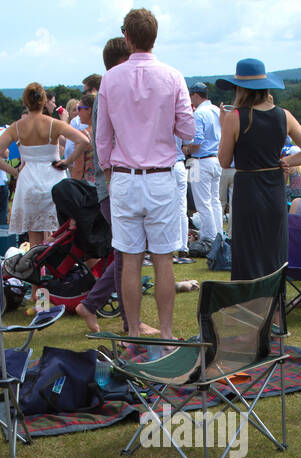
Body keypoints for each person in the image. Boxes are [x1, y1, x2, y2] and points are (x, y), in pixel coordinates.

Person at [95, 9, 194, 339]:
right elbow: (188, 130)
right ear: (154, 37)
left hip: (124, 176)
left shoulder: (110, 79)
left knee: (131, 260)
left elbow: (102, 138)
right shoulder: (173, 76)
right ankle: (165, 333)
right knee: (163, 259)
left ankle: (135, 331)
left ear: (127, 37)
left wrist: (109, 173)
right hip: (161, 176)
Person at [217, 57, 301, 282]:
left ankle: (250, 309)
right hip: (274, 189)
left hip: (248, 190)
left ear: (240, 88)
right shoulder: (284, 115)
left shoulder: (234, 117)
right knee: (274, 253)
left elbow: (224, 160)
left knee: (248, 253)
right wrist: (287, 161)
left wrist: (225, 127)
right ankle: (276, 312)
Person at [75, 36, 149, 336]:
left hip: (112, 185)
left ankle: (101, 309)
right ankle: (121, 317)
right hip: (114, 185)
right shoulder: (111, 91)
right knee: (128, 253)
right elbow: (107, 142)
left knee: (126, 253)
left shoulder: (109, 89)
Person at [0, 83, 86, 249]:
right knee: (55, 233)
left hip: (29, 181)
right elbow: (83, 141)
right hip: (53, 178)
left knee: (34, 237)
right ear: (43, 101)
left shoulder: (17, 127)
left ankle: (37, 271)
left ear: (25, 102)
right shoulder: (53, 124)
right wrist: (67, 162)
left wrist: (15, 171)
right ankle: (52, 270)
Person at [184, 81, 223, 241]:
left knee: (202, 203)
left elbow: (198, 140)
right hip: (216, 159)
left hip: (199, 160)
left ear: (195, 95)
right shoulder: (216, 110)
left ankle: (210, 237)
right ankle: (219, 234)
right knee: (215, 200)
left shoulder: (198, 113)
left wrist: (187, 150)